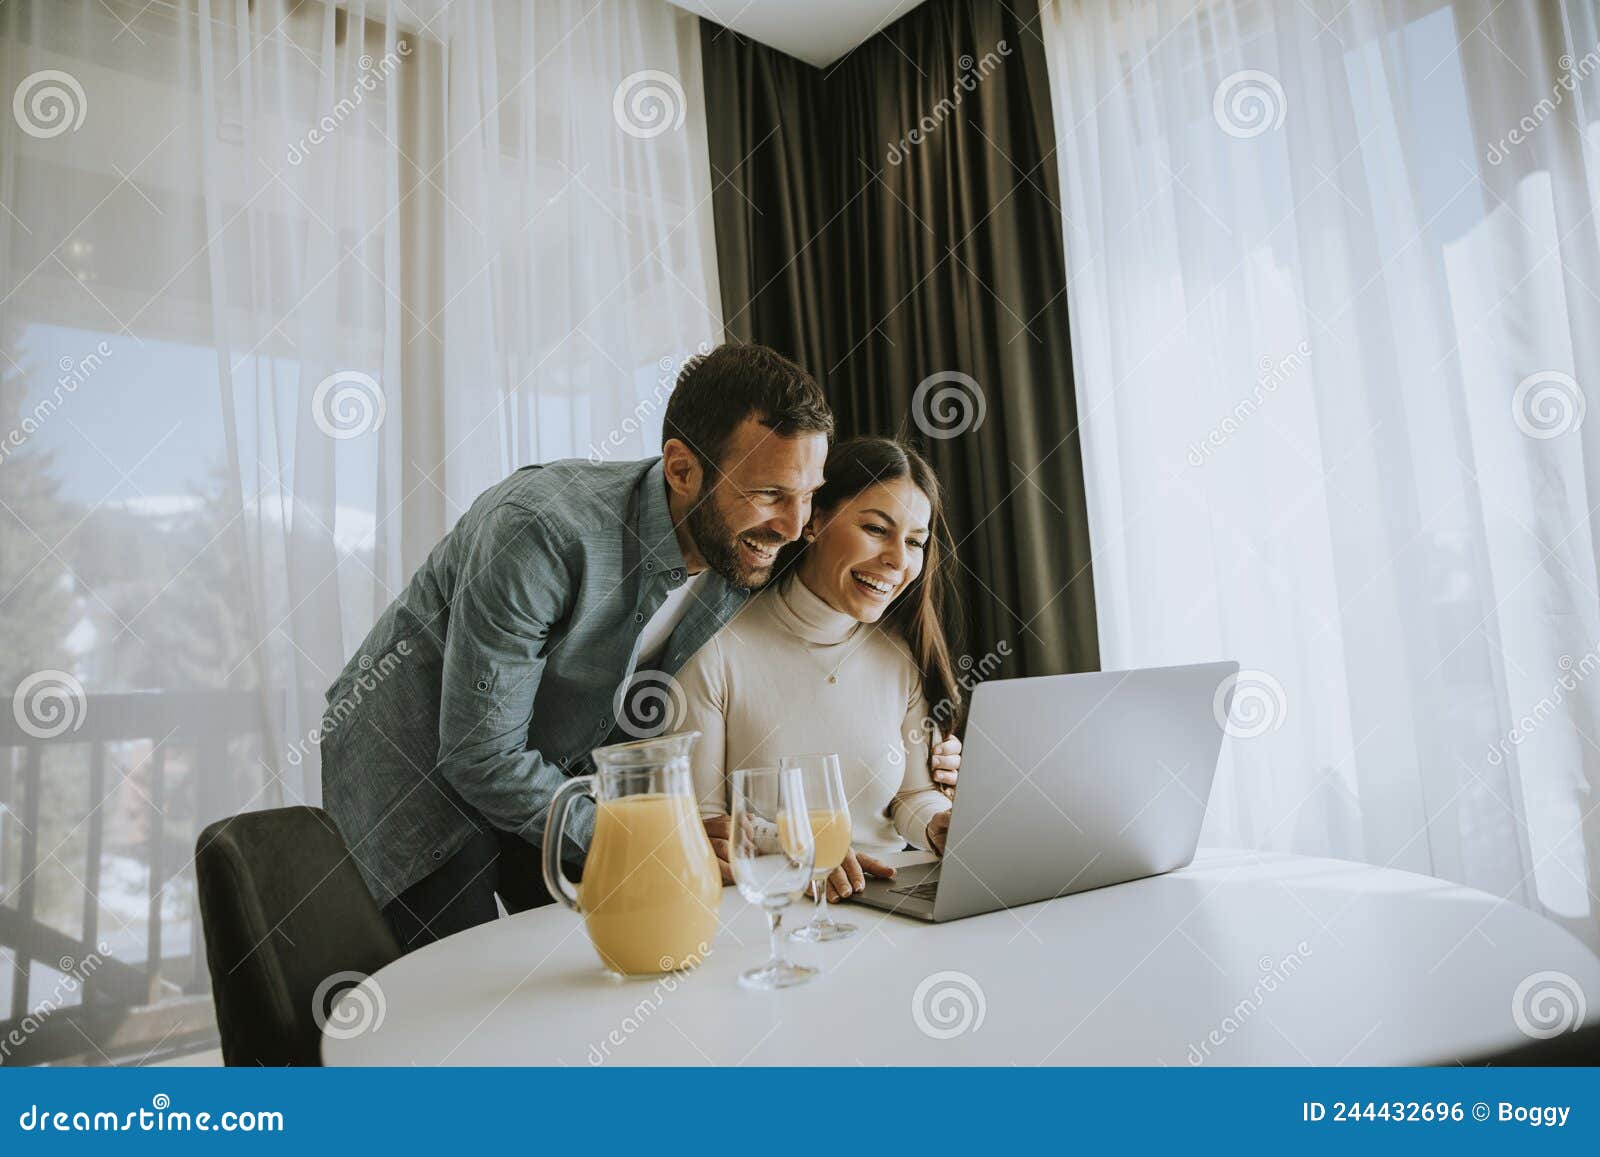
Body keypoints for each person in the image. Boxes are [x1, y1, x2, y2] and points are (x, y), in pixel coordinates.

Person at [319, 343, 834, 952]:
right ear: (681, 469)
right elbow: (477, 755)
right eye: (770, 494)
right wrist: (659, 838)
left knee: (633, 944)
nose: (796, 526)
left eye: (809, 494)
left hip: (549, 772)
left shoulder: (740, 548)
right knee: (463, 999)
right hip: (416, 770)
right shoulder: (540, 531)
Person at [677, 437, 965, 902]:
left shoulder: (898, 652)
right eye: (876, 529)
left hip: (889, 898)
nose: (898, 559)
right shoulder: (717, 651)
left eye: (914, 542)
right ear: (814, 522)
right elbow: (705, 831)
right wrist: (801, 852)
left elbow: (911, 796)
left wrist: (937, 824)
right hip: (771, 909)